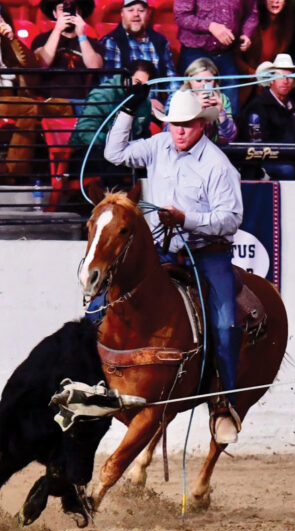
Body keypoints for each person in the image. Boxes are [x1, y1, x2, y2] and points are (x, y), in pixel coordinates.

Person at [103, 87, 245, 445]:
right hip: (162, 251)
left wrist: (187, 219)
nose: (179, 131)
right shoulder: (157, 146)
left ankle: (223, 401)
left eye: (186, 125)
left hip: (206, 252)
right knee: (104, 302)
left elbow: (230, 219)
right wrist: (128, 109)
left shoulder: (217, 164)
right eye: (173, 125)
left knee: (226, 323)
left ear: (201, 124)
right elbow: (114, 152)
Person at [0, 3, 74, 178]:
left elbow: (33, 67)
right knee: (30, 108)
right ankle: (15, 172)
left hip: (21, 98)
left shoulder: (10, 43)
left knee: (64, 107)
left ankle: (62, 170)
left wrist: (12, 38)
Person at [70, 59, 158, 186]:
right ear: (126, 78)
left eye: (146, 86)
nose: (140, 89)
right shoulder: (103, 94)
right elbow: (85, 132)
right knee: (113, 163)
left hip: (126, 153)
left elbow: (145, 134)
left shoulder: (145, 101)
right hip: (88, 153)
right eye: (137, 83)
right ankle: (117, 205)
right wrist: (115, 145)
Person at [174, 0, 260, 114]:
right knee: (192, 105)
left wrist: (246, 34)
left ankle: (228, 130)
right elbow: (181, 15)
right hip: (195, 52)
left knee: (230, 107)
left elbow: (252, 13)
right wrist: (210, 26)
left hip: (226, 53)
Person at [239, 53, 295, 180]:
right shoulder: (258, 106)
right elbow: (257, 144)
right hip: (266, 161)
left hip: (294, 160)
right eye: (280, 76)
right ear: (272, 80)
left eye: (290, 77)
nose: (285, 80)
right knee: (287, 170)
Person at [32, 0, 105, 101]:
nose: (68, 15)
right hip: (50, 101)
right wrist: (57, 30)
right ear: (55, 14)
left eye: (73, 10)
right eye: (62, 9)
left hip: (81, 103)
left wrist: (81, 36)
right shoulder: (41, 40)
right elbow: (41, 64)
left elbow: (95, 68)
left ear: (80, 13)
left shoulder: (93, 44)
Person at [101, 0, 177, 93]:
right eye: (130, 10)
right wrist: (145, 102)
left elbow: (171, 78)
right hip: (126, 104)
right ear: (122, 14)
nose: (136, 14)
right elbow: (112, 86)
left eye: (141, 10)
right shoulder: (112, 41)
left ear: (148, 14)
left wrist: (175, 100)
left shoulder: (160, 42)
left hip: (158, 105)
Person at [238, 0, 295, 106]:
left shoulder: (288, 25)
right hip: (244, 83)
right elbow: (235, 55)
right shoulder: (251, 22)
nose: (275, 1)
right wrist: (253, 73)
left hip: (268, 85)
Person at [166, 57, 238, 144]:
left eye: (208, 81)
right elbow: (168, 133)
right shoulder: (178, 97)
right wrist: (193, 107)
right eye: (198, 81)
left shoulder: (222, 99)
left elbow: (230, 137)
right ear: (189, 81)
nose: (203, 85)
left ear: (215, 81)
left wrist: (221, 112)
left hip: (211, 149)